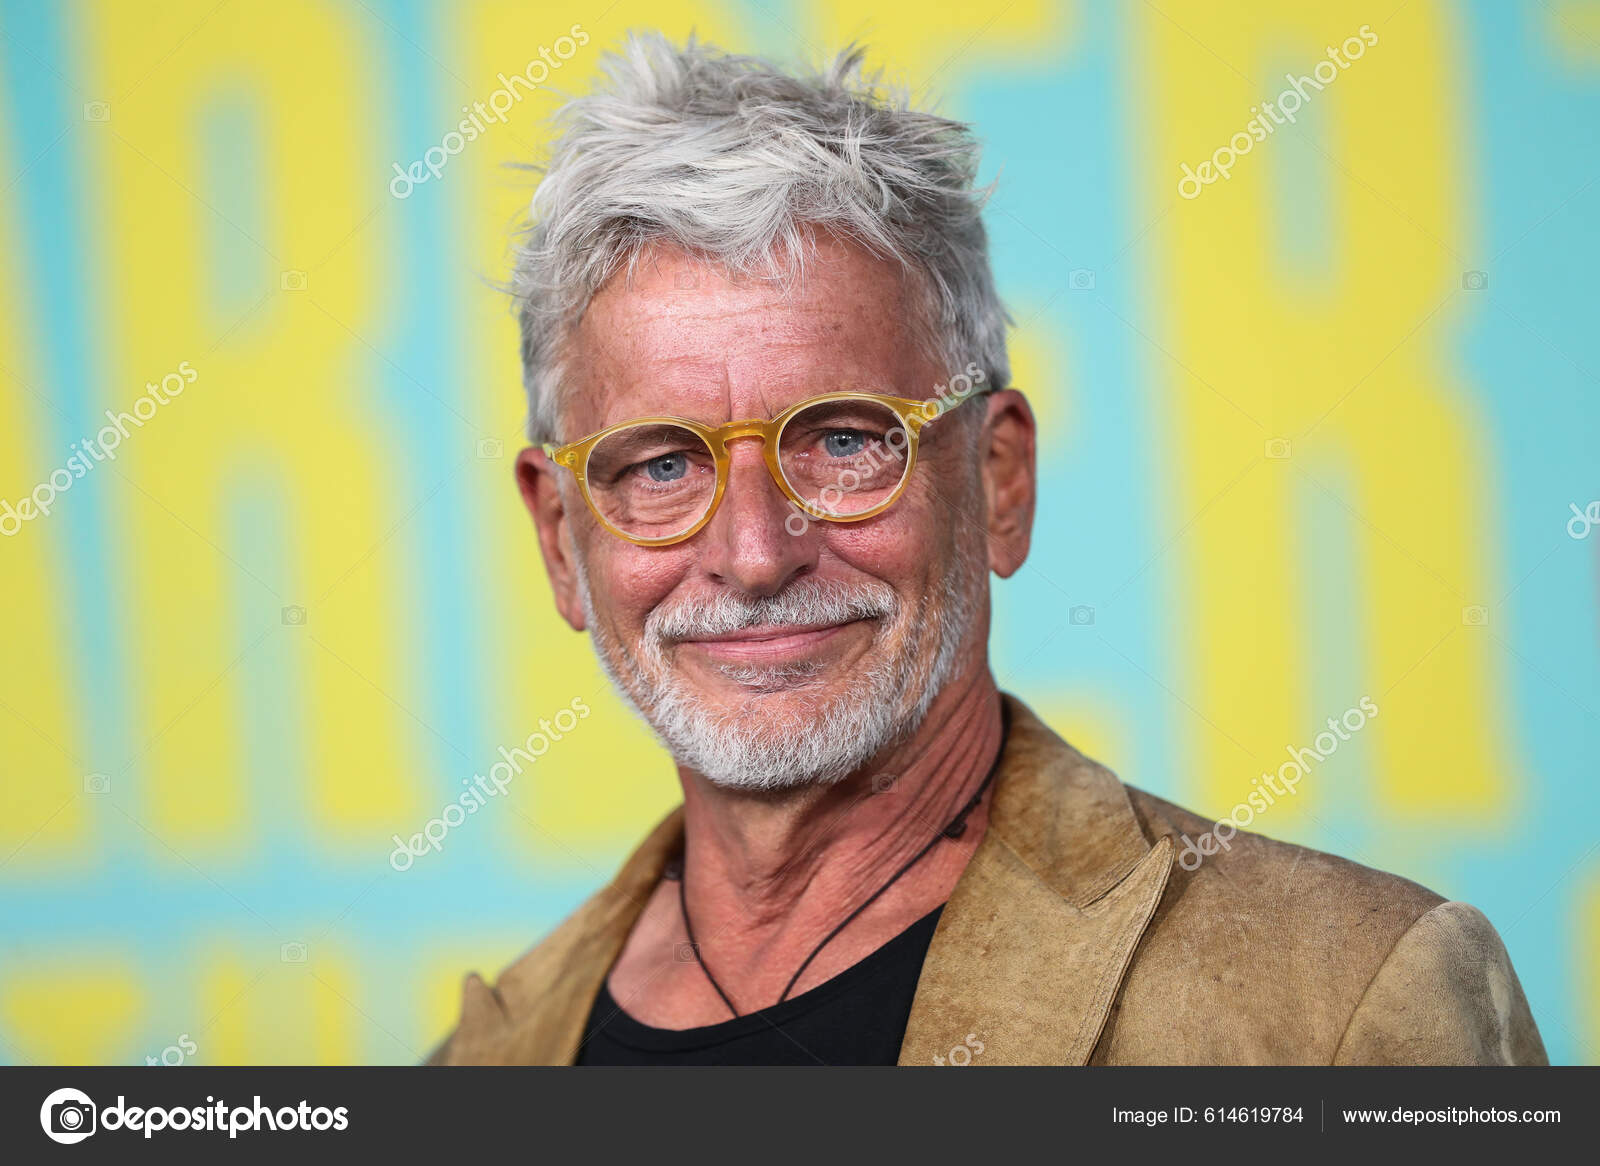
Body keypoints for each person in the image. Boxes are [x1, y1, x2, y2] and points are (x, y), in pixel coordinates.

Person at [428, 33, 1544, 1066]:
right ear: (559, 539)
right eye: (661, 465)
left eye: (845, 440)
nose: (757, 550)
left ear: (999, 478)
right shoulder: (481, 1063)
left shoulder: (1337, 1000)